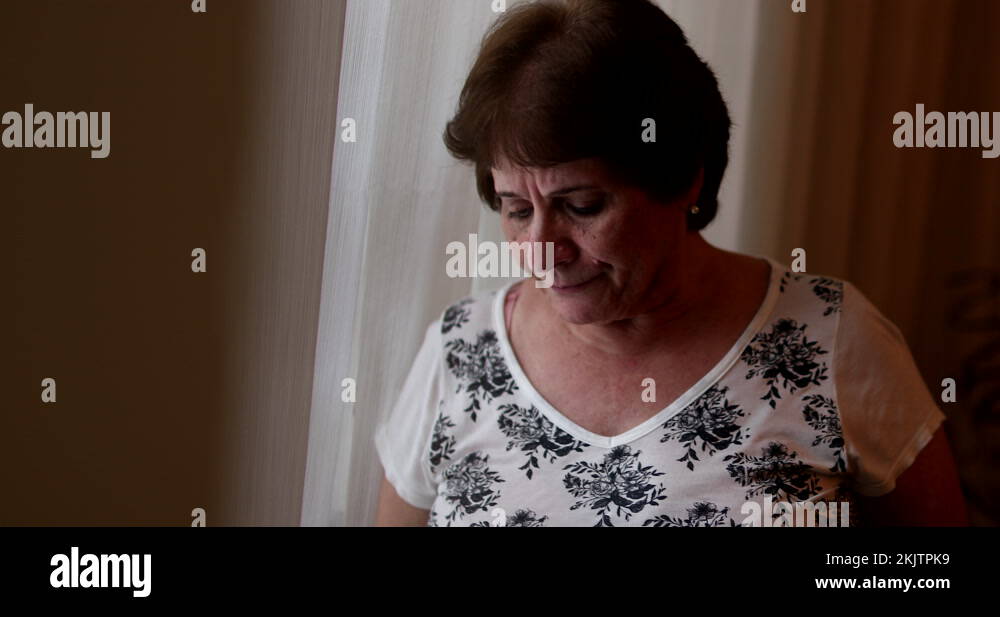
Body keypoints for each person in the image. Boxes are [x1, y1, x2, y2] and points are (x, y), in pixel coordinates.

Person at [373, 0, 967, 526]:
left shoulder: (830, 339)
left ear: (684, 178)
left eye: (581, 206)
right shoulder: (459, 351)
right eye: (515, 210)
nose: (542, 251)